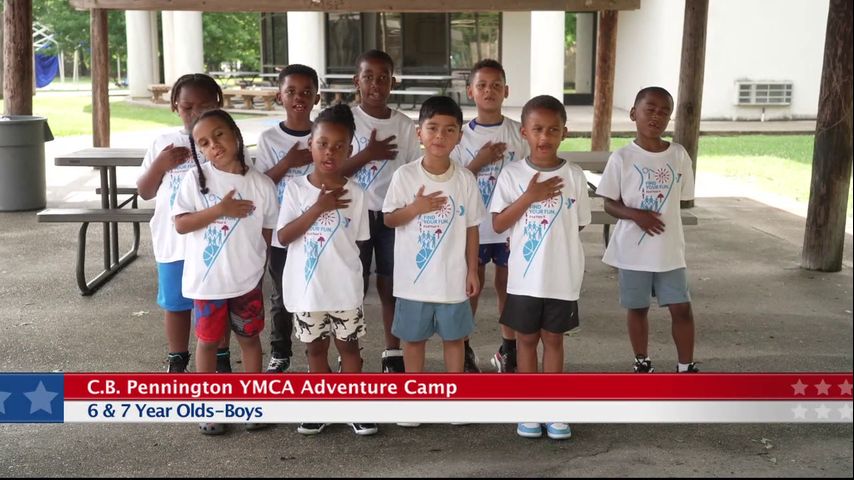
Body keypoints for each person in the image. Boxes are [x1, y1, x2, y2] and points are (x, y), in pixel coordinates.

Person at [490, 95, 591, 440]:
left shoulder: (574, 175)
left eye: (553, 129)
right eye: (537, 129)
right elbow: (499, 224)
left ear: (565, 132)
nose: (544, 137)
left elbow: (578, 223)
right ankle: (530, 406)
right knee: (526, 340)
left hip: (561, 277)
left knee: (554, 339)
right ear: (524, 132)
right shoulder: (513, 174)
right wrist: (530, 198)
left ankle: (554, 406)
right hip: (524, 279)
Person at [172, 109, 278, 435]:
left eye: (218, 135)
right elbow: (181, 224)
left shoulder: (261, 184)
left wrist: (257, 268)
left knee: (250, 340)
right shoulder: (195, 180)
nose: (213, 145)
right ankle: (209, 407)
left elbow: (267, 232)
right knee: (207, 343)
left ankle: (252, 404)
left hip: (246, 282)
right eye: (203, 143)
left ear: (235, 133)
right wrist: (220, 210)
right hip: (207, 284)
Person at [277, 104, 377, 437]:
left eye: (338, 146)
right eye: (322, 144)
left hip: (344, 289)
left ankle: (353, 406)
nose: (330, 152)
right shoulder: (296, 189)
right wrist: (318, 207)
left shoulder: (357, 194)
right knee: (315, 348)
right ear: (311, 145)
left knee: (349, 347)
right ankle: (321, 405)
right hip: (307, 291)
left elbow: (359, 241)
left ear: (350, 149)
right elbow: (283, 237)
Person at [383, 96, 483, 428]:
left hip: (453, 279)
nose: (440, 136)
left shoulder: (465, 179)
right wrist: (416, 208)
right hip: (414, 282)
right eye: (433, 128)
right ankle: (414, 401)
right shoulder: (405, 176)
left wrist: (472, 269)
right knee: (413, 340)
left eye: (449, 130)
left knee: (455, 340)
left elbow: (471, 227)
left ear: (459, 136)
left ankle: (453, 401)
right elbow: (389, 219)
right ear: (419, 133)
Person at [595, 86, 698, 374]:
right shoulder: (622, 157)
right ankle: (641, 361)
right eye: (649, 109)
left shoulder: (678, 155)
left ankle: (685, 366)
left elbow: (683, 196)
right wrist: (636, 215)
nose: (656, 116)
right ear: (633, 113)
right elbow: (608, 203)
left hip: (669, 251)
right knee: (638, 308)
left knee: (681, 308)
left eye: (664, 112)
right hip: (633, 252)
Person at [136, 73, 232, 374]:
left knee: (216, 303)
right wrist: (160, 165)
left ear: (218, 104)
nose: (195, 114)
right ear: (175, 106)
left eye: (205, 107)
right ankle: (177, 359)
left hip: (213, 242)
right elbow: (145, 192)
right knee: (176, 304)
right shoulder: (164, 143)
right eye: (187, 107)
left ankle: (220, 356)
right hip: (174, 243)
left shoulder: (226, 142)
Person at [340, 49, 421, 373]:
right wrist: (368, 154)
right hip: (352, 217)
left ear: (393, 82)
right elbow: (331, 169)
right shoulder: (345, 120)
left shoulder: (403, 125)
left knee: (391, 286)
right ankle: (348, 349)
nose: (376, 84)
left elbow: (414, 171)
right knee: (352, 285)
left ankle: (392, 351)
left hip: (392, 218)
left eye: (383, 77)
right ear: (356, 81)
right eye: (368, 77)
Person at [450, 59, 530, 373]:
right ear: (470, 91)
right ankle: (465, 347)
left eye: (496, 85)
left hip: (510, 227)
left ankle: (508, 348)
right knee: (471, 286)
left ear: (506, 91)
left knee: (507, 286)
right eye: (482, 85)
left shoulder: (518, 133)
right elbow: (452, 183)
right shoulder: (460, 137)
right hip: (474, 227)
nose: (489, 91)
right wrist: (479, 161)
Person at [254, 64, 320, 373]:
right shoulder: (269, 138)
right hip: (282, 231)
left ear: (316, 97)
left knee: (315, 293)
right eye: (291, 91)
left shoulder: (323, 133)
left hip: (318, 231)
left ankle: (316, 354)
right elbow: (261, 184)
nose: (299, 98)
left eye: (307, 92)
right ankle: (280, 352)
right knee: (281, 295)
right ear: (279, 96)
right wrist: (288, 162)